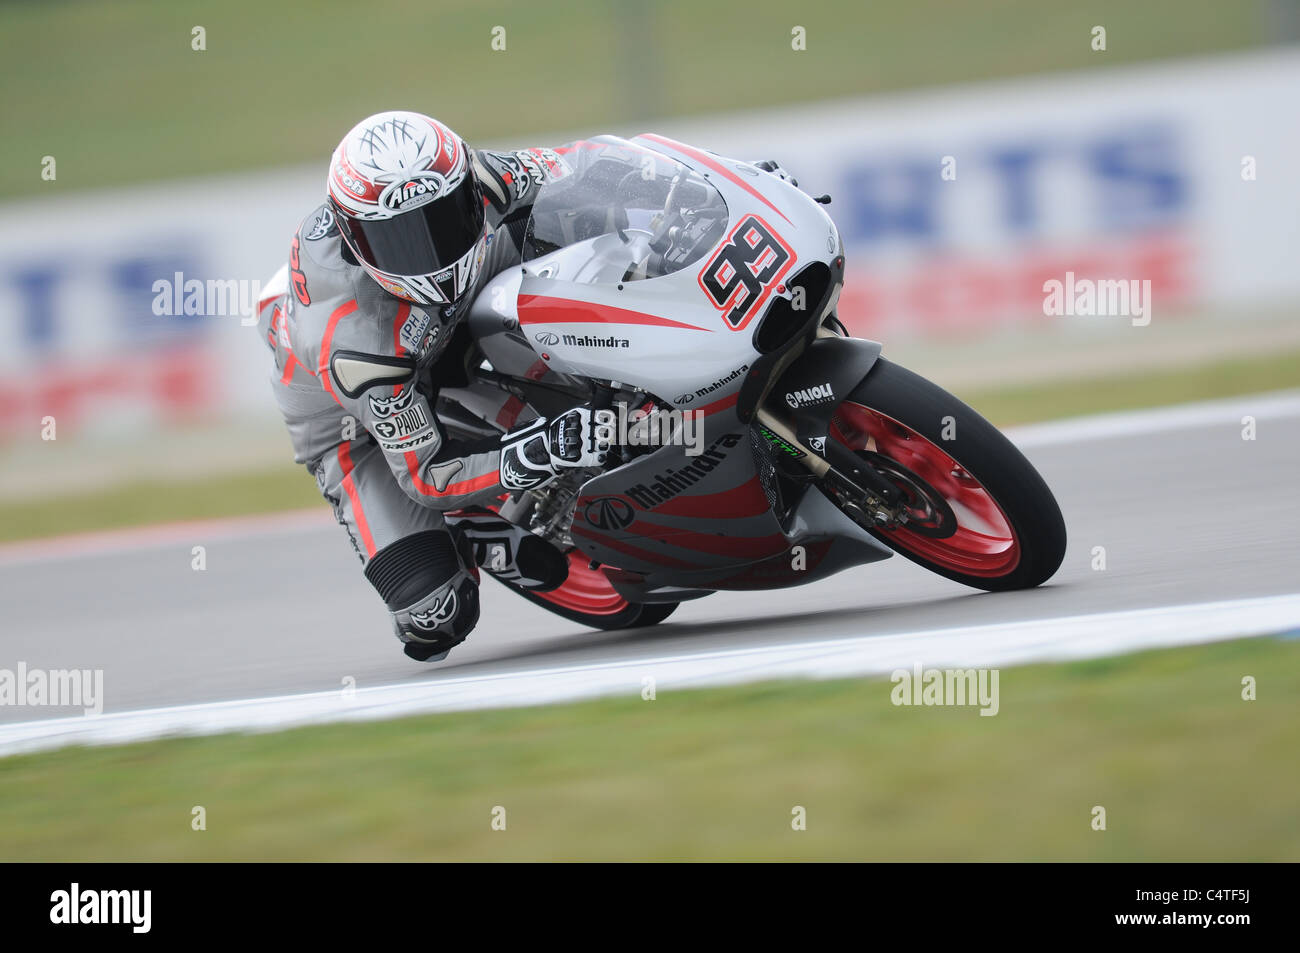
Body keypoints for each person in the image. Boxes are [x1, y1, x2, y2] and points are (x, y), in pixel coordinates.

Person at [257, 111, 610, 662]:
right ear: (354, 239)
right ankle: (472, 532)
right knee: (436, 616)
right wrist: (546, 449)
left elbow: (584, 168)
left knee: (564, 220)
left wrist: (701, 193)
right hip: (355, 423)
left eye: (442, 220)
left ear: (466, 187)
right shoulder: (354, 341)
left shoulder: (481, 175)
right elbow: (430, 476)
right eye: (397, 240)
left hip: (448, 323)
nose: (430, 254)